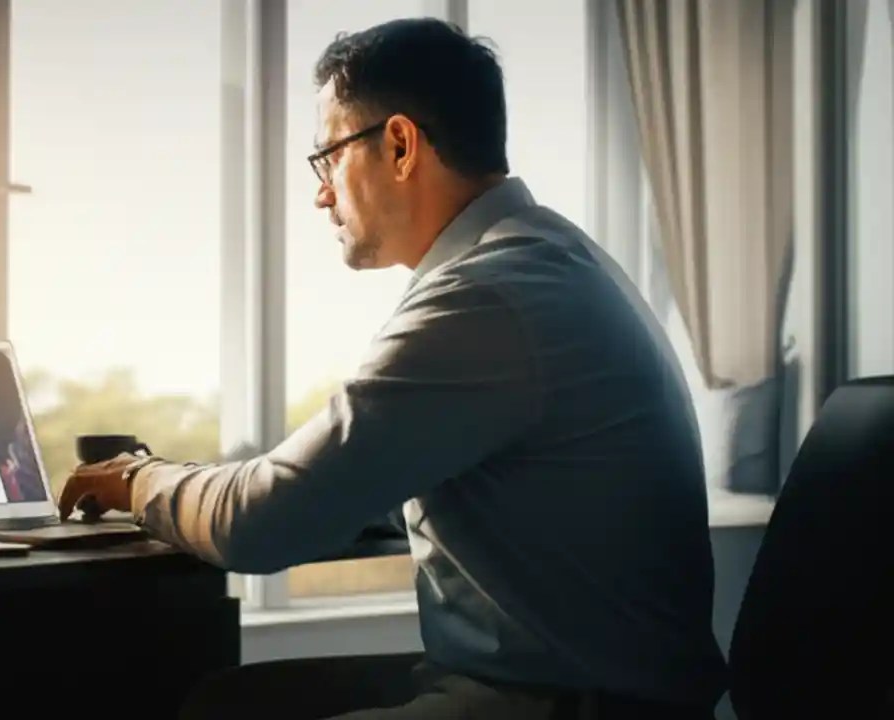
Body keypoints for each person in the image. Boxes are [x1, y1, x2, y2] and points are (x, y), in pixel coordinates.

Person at [57, 17, 726, 720]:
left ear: (401, 145)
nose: (321, 194)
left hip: (560, 706)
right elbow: (365, 479)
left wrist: (138, 478)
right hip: (576, 689)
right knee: (229, 699)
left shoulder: (487, 297)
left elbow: (259, 524)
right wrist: (304, 484)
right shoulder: (551, 259)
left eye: (327, 158)